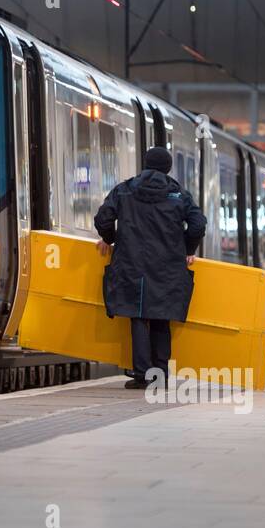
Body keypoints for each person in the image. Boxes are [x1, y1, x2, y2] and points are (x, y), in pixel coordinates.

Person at [94, 146, 207, 389]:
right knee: (161, 316)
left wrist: (110, 238)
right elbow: (198, 224)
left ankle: (142, 373)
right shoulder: (179, 194)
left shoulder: (125, 190)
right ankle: (161, 375)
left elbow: (103, 218)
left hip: (131, 263)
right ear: (168, 168)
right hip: (168, 265)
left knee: (138, 315)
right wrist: (188, 249)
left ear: (145, 164)